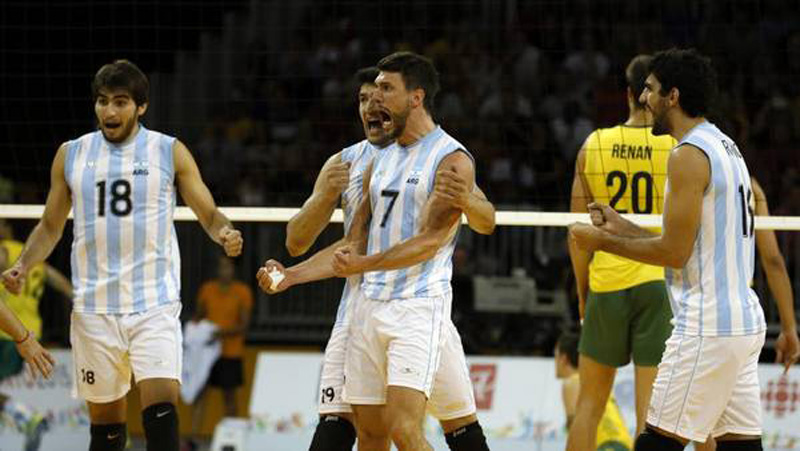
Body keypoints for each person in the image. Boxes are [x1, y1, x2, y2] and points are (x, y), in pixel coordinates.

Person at [1, 60, 243, 451]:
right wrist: (23, 264)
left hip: (154, 303)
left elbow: (209, 213)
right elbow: (49, 227)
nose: (109, 112)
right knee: (107, 427)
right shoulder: (71, 154)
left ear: (141, 106)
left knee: (162, 402)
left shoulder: (168, 150)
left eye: (120, 102)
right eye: (102, 102)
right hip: (95, 308)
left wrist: (224, 233)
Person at [570, 48, 800, 450]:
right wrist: (623, 225)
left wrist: (603, 241)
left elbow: (675, 254)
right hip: (743, 324)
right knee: (739, 446)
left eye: (651, 90)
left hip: (706, 325)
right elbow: (693, 244)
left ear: (672, 96)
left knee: (656, 442)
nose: (644, 99)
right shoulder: (728, 147)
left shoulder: (687, 155)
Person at [258, 52, 490, 451]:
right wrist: (292, 275)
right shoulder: (370, 160)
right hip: (367, 305)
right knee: (376, 434)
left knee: (405, 428)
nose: (373, 101)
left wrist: (472, 203)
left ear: (415, 98)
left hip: (418, 305)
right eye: (368, 94)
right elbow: (352, 243)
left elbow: (438, 239)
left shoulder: (448, 156)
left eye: (384, 90)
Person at [566, 55, 676, 451]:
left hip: (607, 281)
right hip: (656, 283)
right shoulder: (676, 147)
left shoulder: (593, 144)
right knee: (651, 416)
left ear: (627, 94)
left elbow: (577, 231)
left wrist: (583, 292)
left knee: (589, 406)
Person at [188, 255, 252, 447]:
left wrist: (220, 333)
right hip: (207, 354)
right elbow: (198, 316)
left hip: (230, 352)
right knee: (199, 394)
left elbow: (243, 325)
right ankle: (193, 439)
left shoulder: (242, 292)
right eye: (221, 267)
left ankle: (231, 439)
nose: (224, 271)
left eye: (228, 267)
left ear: (234, 270)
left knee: (230, 397)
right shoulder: (207, 289)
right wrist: (195, 329)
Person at [0, 245, 55, 451]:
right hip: (32, 332)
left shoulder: (4, 250)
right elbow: (61, 283)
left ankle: (28, 417)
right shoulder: (35, 257)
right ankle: (28, 418)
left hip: (8, 332)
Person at [555, 332, 632, 451]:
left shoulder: (571, 382)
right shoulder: (593, 382)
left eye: (555, 355)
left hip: (603, 444)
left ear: (563, 359)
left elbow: (575, 428)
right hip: (623, 443)